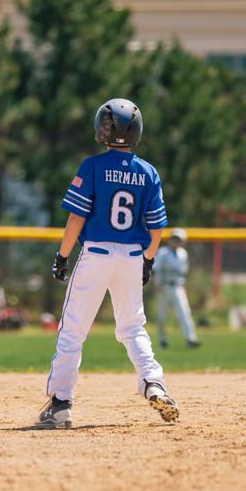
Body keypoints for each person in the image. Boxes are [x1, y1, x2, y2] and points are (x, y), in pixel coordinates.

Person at [38, 98, 178, 429]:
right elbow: (157, 228)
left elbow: (76, 219)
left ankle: (60, 404)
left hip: (96, 255)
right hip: (131, 257)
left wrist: (61, 256)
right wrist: (148, 260)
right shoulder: (148, 172)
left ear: (102, 129)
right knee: (132, 327)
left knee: (73, 331)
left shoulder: (92, 167)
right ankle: (153, 382)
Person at [154, 228, 200, 348]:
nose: (176, 241)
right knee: (162, 315)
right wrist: (156, 283)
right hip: (164, 286)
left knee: (184, 312)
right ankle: (162, 339)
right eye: (174, 238)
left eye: (178, 239)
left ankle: (191, 339)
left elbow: (183, 272)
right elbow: (155, 269)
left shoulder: (183, 254)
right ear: (170, 239)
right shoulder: (163, 252)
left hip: (177, 286)